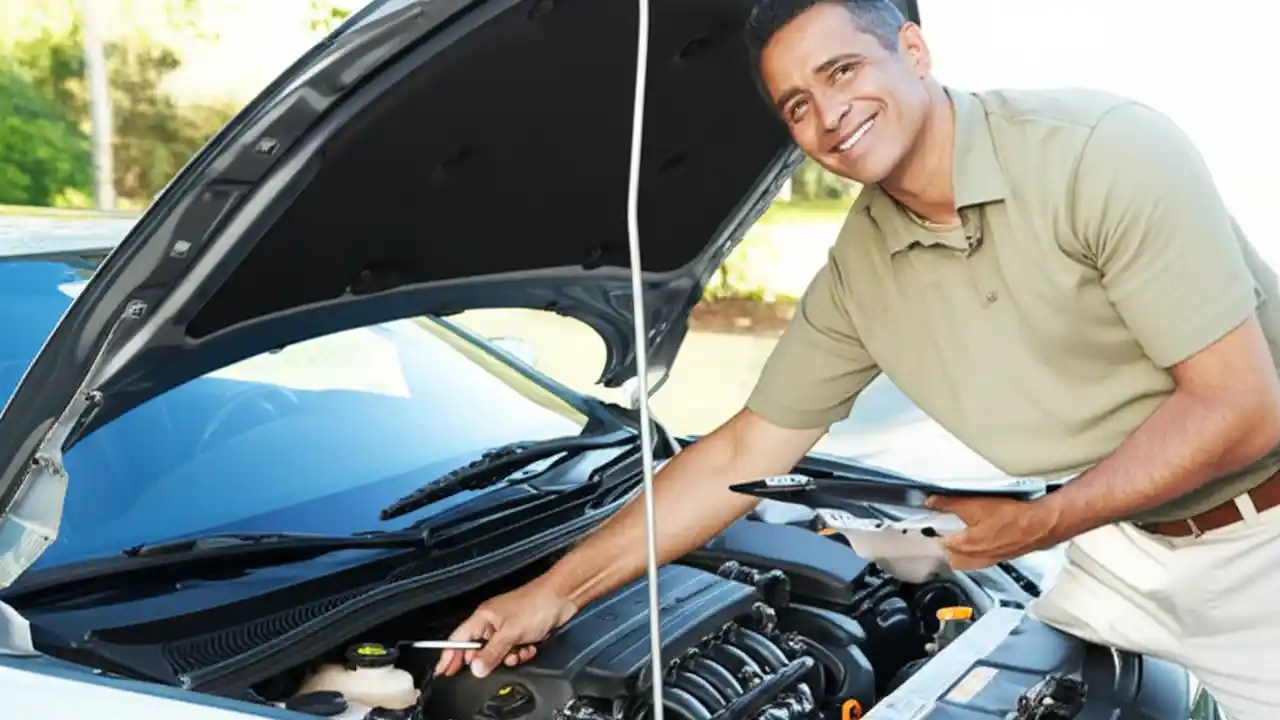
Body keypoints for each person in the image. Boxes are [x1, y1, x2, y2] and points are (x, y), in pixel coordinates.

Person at [435, 1, 1280, 716]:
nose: (826, 114)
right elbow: (740, 452)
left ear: (913, 49)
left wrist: (1043, 522)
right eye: (796, 105)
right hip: (1120, 549)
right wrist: (554, 591)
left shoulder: (1099, 152)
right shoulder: (860, 270)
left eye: (841, 71)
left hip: (1262, 548)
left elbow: (1240, 409)